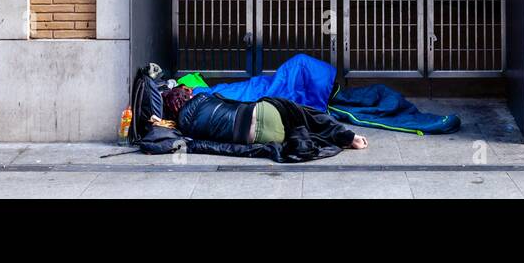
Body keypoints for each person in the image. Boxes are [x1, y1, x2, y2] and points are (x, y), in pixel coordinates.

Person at [156, 89, 368, 162]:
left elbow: (212, 143)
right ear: (185, 96)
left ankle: (343, 138)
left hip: (263, 138)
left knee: (301, 127)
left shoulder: (184, 127)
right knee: (306, 114)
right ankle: (349, 136)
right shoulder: (202, 97)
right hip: (263, 113)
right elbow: (232, 103)